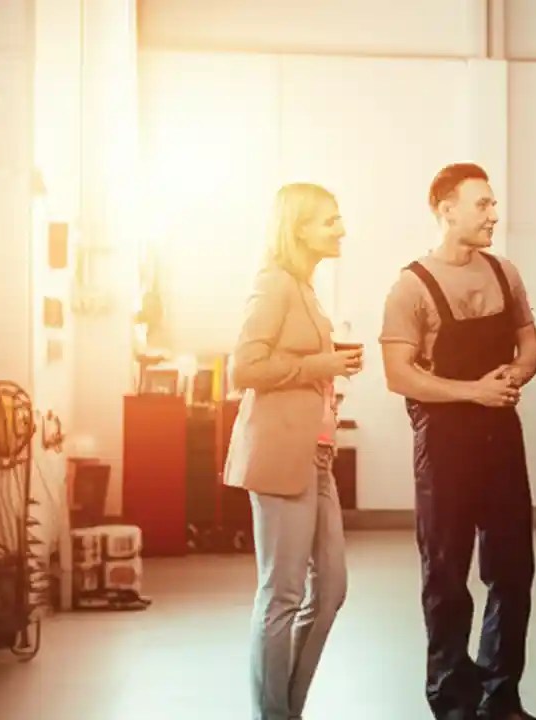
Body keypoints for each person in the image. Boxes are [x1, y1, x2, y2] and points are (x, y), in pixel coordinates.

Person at [380, 163, 536, 720]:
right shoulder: (411, 286)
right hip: (444, 442)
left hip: (501, 434)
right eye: (483, 205)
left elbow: (531, 347)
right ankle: (453, 703)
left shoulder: (505, 274)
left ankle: (502, 697)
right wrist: (472, 391)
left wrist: (510, 380)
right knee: (446, 575)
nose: (494, 214)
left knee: (513, 569)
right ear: (447, 209)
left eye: (494, 204)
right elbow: (399, 374)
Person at [224, 182, 361, 720]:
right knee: (280, 596)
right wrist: (318, 367)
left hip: (316, 456)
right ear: (298, 228)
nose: (341, 228)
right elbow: (244, 369)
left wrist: (327, 374)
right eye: (330, 220)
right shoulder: (273, 284)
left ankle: (287, 709)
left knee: (330, 591)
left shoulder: (305, 288)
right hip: (280, 457)